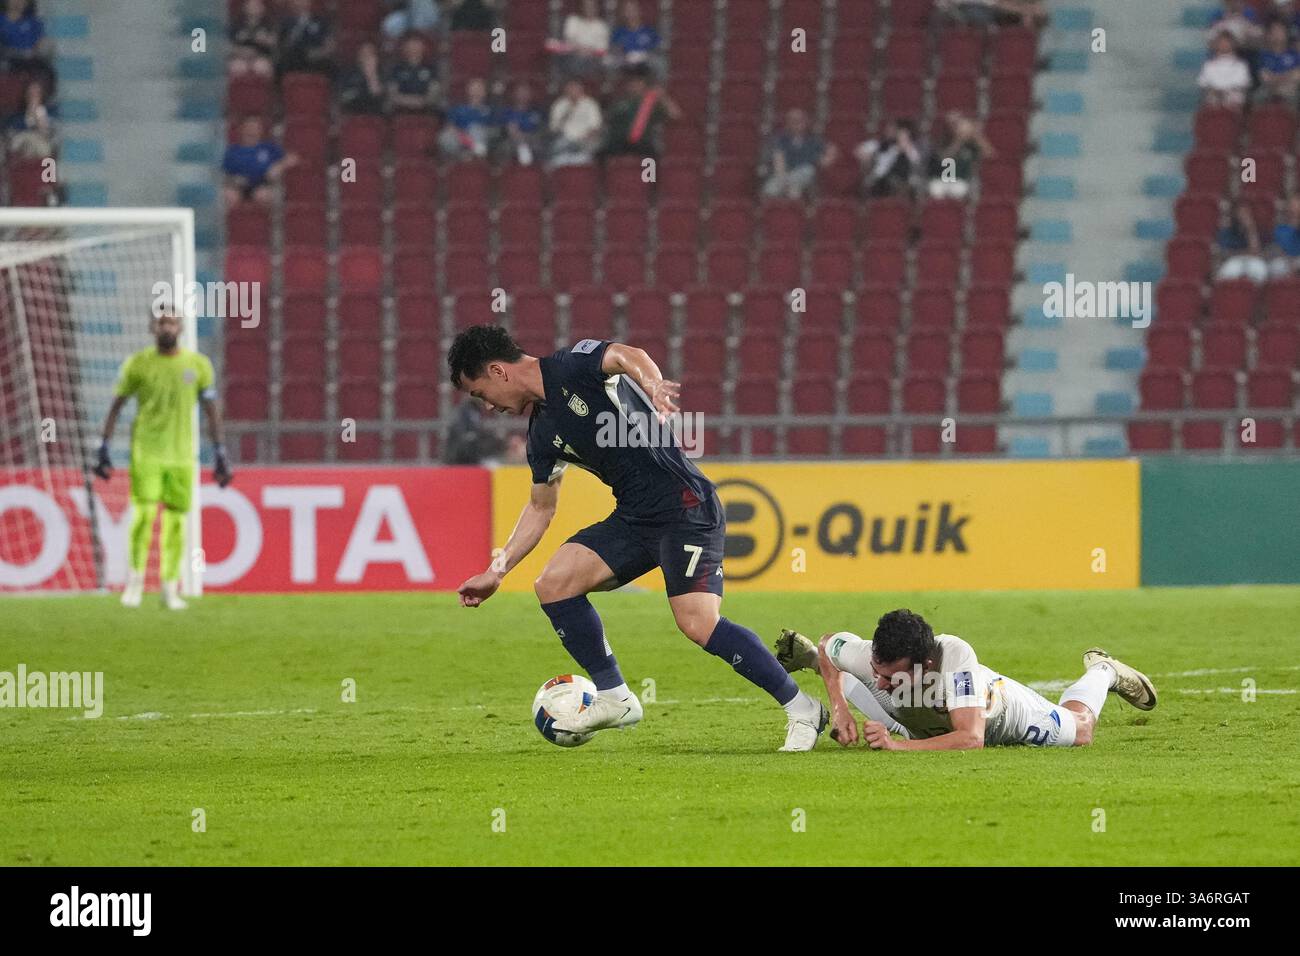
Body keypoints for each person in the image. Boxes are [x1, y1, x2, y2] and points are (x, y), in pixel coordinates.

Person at [448, 326, 830, 751]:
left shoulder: (571, 367)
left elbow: (626, 354)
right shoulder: (541, 435)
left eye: (479, 393)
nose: (488, 407)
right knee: (554, 583)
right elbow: (541, 507)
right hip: (634, 518)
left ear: (497, 371)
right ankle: (615, 696)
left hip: (685, 507)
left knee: (697, 623)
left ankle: (803, 709)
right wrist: (496, 571)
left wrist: (651, 383)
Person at [774, 609, 1156, 751]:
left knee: (1082, 729)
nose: (881, 679)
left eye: (891, 674)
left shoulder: (955, 657)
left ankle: (1102, 671)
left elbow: (971, 738)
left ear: (925, 662)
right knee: (885, 695)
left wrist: (896, 748)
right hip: (915, 716)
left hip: (1001, 716)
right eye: (877, 670)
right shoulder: (874, 657)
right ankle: (806, 661)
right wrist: (840, 710)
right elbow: (829, 644)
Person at [93, 311, 232, 611]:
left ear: (181, 327)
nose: (166, 326)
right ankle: (135, 583)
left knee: (177, 523)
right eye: (161, 322)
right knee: (143, 516)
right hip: (147, 452)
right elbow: (117, 405)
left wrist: (220, 452)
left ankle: (170, 588)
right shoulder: (138, 364)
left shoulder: (198, 366)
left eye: (172, 321)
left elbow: (211, 411)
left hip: (183, 455)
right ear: (152, 327)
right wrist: (103, 445)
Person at [600, 65, 680, 160]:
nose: (633, 85)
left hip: (643, 143)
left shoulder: (651, 102)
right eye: (631, 82)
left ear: (644, 84)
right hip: (619, 143)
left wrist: (662, 97)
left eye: (637, 82)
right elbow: (608, 119)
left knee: (651, 160)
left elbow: (675, 115)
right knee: (600, 156)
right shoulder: (621, 102)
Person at [762, 108, 837, 200]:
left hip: (804, 173)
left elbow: (831, 149)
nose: (797, 124)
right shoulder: (781, 139)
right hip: (785, 173)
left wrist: (827, 160)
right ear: (788, 123)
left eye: (800, 121)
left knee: (808, 170)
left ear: (806, 122)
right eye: (793, 121)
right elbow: (779, 160)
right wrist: (783, 179)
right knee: (777, 191)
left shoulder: (813, 140)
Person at [221, 116, 298, 205]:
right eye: (249, 127)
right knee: (228, 195)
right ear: (242, 129)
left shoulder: (269, 148)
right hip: (238, 187)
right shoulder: (232, 150)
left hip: (263, 184)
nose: (251, 131)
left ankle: (264, 218)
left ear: (260, 130)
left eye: (255, 128)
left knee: (263, 195)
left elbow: (293, 158)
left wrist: (280, 165)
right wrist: (233, 180)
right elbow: (222, 172)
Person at [927, 111, 995, 200]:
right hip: (940, 178)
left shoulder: (971, 142)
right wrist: (959, 140)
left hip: (961, 178)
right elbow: (944, 158)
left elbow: (990, 154)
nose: (955, 127)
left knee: (958, 190)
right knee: (936, 190)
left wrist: (976, 135)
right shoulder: (942, 139)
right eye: (952, 124)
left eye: (957, 124)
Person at [854, 118, 922, 198]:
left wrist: (906, 149)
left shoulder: (912, 151)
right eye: (901, 136)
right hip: (884, 180)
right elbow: (881, 168)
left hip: (905, 179)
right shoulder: (888, 148)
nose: (902, 139)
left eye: (905, 137)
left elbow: (916, 164)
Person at [548, 77, 603, 167]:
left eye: (575, 88)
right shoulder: (559, 105)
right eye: (570, 88)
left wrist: (586, 137)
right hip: (564, 140)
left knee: (584, 155)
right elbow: (554, 128)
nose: (572, 91)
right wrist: (567, 112)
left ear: (581, 89)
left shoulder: (590, 104)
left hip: (584, 140)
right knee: (556, 157)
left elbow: (596, 126)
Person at [549, 0, 609, 79]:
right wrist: (580, 49)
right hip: (572, 56)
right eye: (586, 5)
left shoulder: (601, 26)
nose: (589, 8)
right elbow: (569, 42)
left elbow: (602, 49)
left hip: (592, 59)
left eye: (592, 6)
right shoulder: (573, 20)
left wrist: (587, 51)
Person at [439, 76, 494, 160]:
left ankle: (472, 155)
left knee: (476, 130)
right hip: (460, 139)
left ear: (484, 92)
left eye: (479, 89)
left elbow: (492, 130)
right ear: (468, 91)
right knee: (445, 136)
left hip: (481, 141)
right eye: (474, 89)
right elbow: (450, 126)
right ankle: (463, 156)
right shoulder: (458, 109)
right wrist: (465, 139)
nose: (476, 92)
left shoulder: (490, 110)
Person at [385, 33, 439, 114]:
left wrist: (422, 101)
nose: (414, 48)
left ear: (423, 47)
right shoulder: (396, 69)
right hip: (400, 110)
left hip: (426, 110)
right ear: (405, 48)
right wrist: (408, 101)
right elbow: (392, 92)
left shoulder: (431, 68)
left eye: (417, 45)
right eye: (411, 45)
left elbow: (434, 91)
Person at [1217, 199, 1269, 283]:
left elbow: (1256, 250)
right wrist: (1246, 252)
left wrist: (1250, 228)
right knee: (1229, 271)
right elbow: (1225, 253)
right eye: (1240, 212)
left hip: (1253, 260)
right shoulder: (1227, 231)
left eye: (1246, 212)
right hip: (1233, 260)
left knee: (1260, 270)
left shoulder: (1259, 230)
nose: (1243, 215)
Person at [277, 0, 334, 76]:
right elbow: (281, 44)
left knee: (329, 65)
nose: (301, 3)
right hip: (293, 58)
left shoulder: (320, 21)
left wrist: (318, 53)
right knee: (281, 63)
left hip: (315, 57)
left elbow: (329, 45)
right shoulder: (286, 22)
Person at [495, 81, 543, 165]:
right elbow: (507, 129)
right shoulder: (507, 111)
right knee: (504, 147)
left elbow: (539, 129)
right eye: (520, 92)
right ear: (514, 94)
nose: (523, 95)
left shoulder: (536, 112)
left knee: (539, 146)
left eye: (526, 92)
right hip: (511, 140)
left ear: (531, 95)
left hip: (532, 139)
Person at [1198, 33, 1252, 109]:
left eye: (1227, 42)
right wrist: (1216, 92)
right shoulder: (1209, 65)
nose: (1224, 45)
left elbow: (1243, 84)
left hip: (1235, 102)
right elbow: (1203, 84)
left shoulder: (1241, 65)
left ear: (1233, 44)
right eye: (1221, 42)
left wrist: (1226, 93)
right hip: (1213, 102)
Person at [5, 78, 54, 158]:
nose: (33, 96)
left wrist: (38, 114)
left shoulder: (50, 112)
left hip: (40, 142)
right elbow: (13, 130)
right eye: (31, 93)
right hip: (21, 142)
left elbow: (47, 132)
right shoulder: (18, 114)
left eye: (36, 93)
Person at [227, 0, 278, 78]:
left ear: (263, 8)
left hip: (262, 57)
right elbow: (227, 45)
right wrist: (240, 51)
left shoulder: (269, 24)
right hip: (239, 57)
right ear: (244, 8)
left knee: (261, 67)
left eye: (257, 6)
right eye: (251, 6)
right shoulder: (236, 24)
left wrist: (265, 40)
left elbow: (275, 43)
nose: (253, 9)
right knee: (237, 67)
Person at [609, 0, 662, 73]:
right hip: (625, 63)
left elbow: (657, 47)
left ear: (639, 11)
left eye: (633, 9)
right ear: (623, 13)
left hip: (646, 63)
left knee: (659, 62)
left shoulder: (649, 31)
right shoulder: (619, 32)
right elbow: (614, 48)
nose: (631, 13)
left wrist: (645, 55)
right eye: (627, 10)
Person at [338, 41, 387, 115]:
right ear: (358, 56)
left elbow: (379, 98)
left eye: (370, 53)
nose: (367, 57)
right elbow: (344, 97)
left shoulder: (382, 73)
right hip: (353, 113)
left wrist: (372, 75)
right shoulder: (348, 73)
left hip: (376, 115)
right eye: (364, 53)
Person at [1255, 21, 1300, 103]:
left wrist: (1279, 79)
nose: (1277, 35)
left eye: (1280, 31)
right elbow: (1263, 76)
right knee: (1257, 96)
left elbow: (1297, 75)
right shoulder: (1263, 55)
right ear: (1269, 35)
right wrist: (1286, 76)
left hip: (1290, 87)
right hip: (1269, 88)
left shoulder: (1294, 54)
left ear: (1286, 34)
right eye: (1274, 31)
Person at [1269, 194, 1300, 277]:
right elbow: (1276, 247)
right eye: (1292, 205)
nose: (1295, 208)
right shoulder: (1280, 227)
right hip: (1285, 260)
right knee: (1276, 266)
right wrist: (1288, 259)